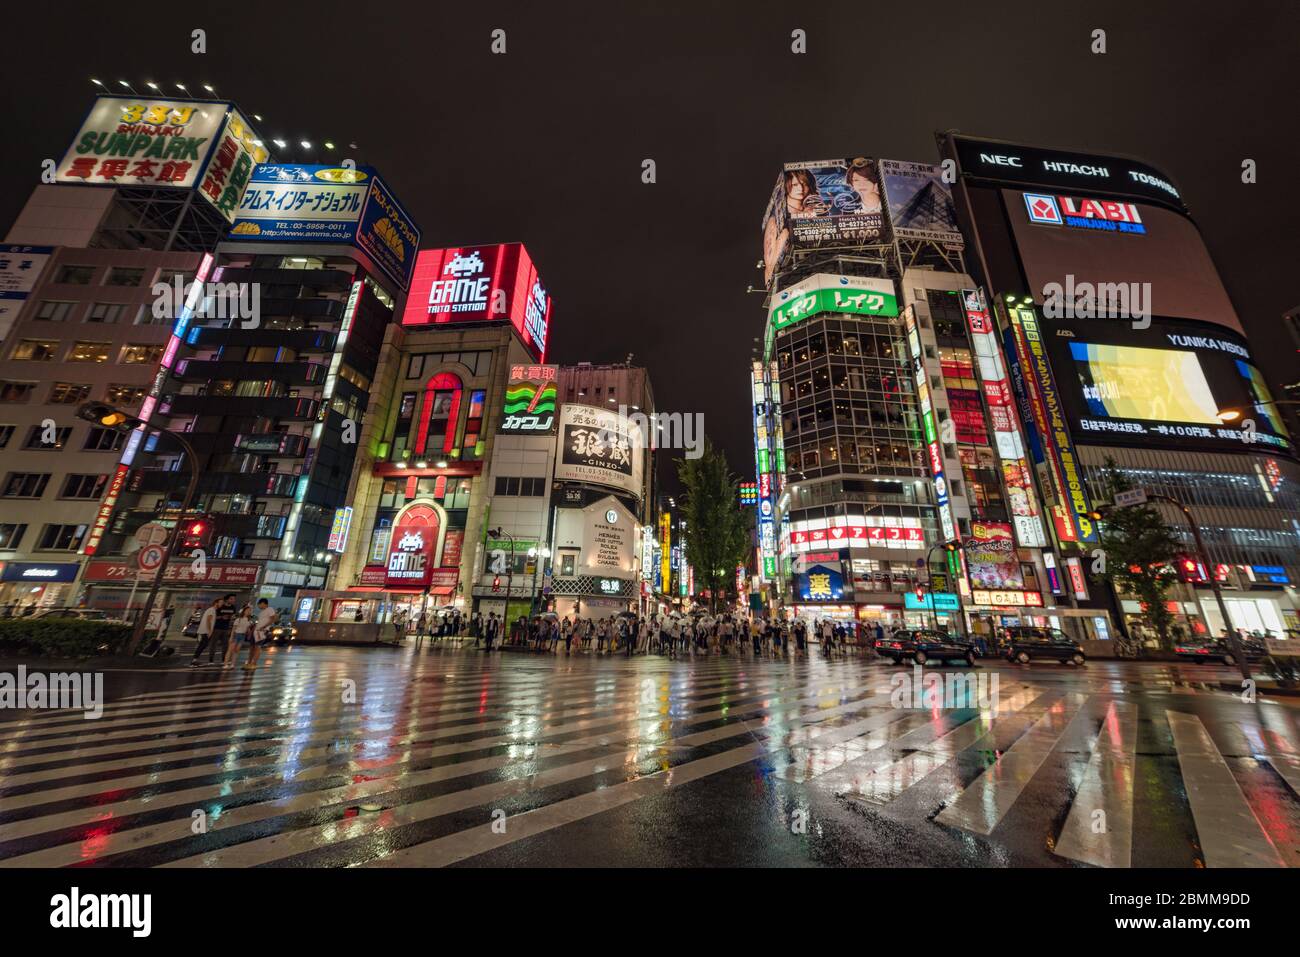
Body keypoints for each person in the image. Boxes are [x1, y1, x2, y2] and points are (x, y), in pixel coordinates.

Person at [245, 599, 278, 671]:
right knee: (252, 647)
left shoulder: (270, 609)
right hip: (256, 631)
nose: (258, 606)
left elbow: (273, 618)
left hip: (261, 632)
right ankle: (249, 662)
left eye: (259, 604)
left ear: (263, 603)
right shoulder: (262, 612)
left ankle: (254, 663)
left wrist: (264, 627)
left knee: (257, 647)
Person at [190, 597, 221, 667]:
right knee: (202, 645)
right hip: (206, 631)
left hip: (205, 630)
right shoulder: (212, 610)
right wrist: (209, 631)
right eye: (220, 603)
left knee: (202, 645)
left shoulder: (212, 610)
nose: (221, 604)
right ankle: (193, 661)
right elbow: (208, 620)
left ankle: (194, 660)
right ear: (216, 603)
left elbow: (210, 619)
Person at [224, 604, 253, 669]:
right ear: (244, 611)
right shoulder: (238, 619)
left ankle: (232, 664)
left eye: (250, 611)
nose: (248, 612)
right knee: (230, 650)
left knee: (236, 650)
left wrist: (249, 633)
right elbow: (233, 629)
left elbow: (247, 629)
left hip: (242, 636)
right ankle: (225, 664)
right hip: (236, 634)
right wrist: (231, 637)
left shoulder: (249, 620)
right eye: (247, 610)